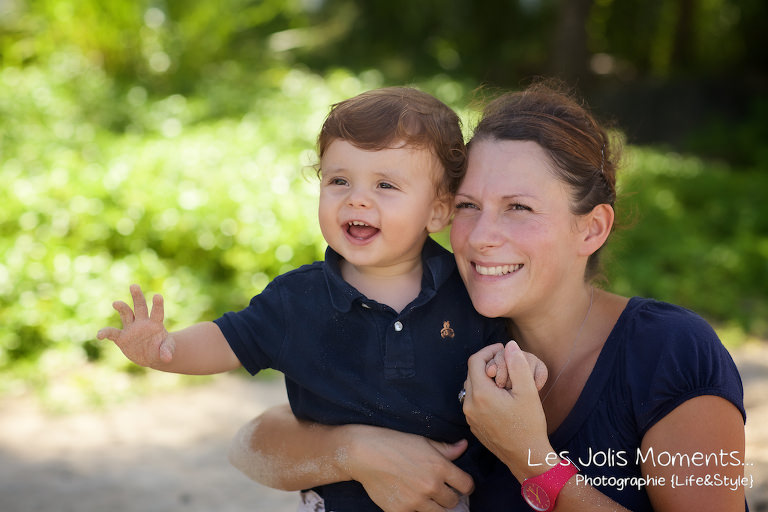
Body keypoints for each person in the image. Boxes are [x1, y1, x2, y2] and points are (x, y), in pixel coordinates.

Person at [230, 81, 748, 512]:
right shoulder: (447, 328)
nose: (479, 237)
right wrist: (355, 451)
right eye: (468, 205)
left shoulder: (671, 352)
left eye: (518, 208)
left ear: (591, 230)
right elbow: (254, 443)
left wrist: (532, 461)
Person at [97, 87, 546, 512]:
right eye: (339, 181)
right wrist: (165, 349)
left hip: (449, 498)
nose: (358, 200)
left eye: (385, 186)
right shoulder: (297, 299)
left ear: (438, 210)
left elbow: (499, 355)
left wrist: (519, 367)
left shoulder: (465, 290)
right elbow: (227, 339)